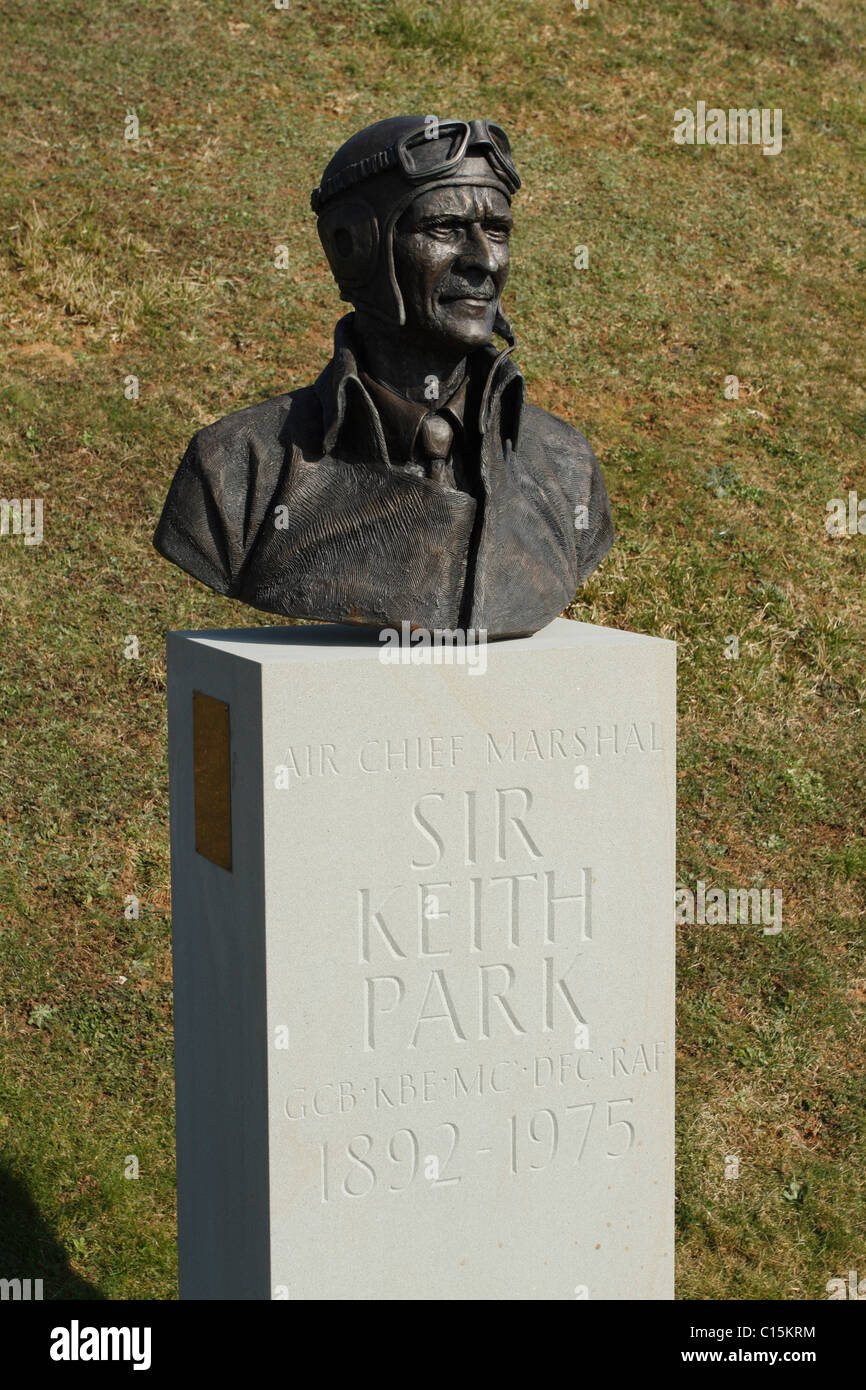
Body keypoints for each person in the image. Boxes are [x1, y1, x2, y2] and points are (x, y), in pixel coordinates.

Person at [154, 116, 614, 638]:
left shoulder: (563, 461)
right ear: (355, 247)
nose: (484, 261)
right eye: (443, 230)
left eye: (497, 232)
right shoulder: (238, 468)